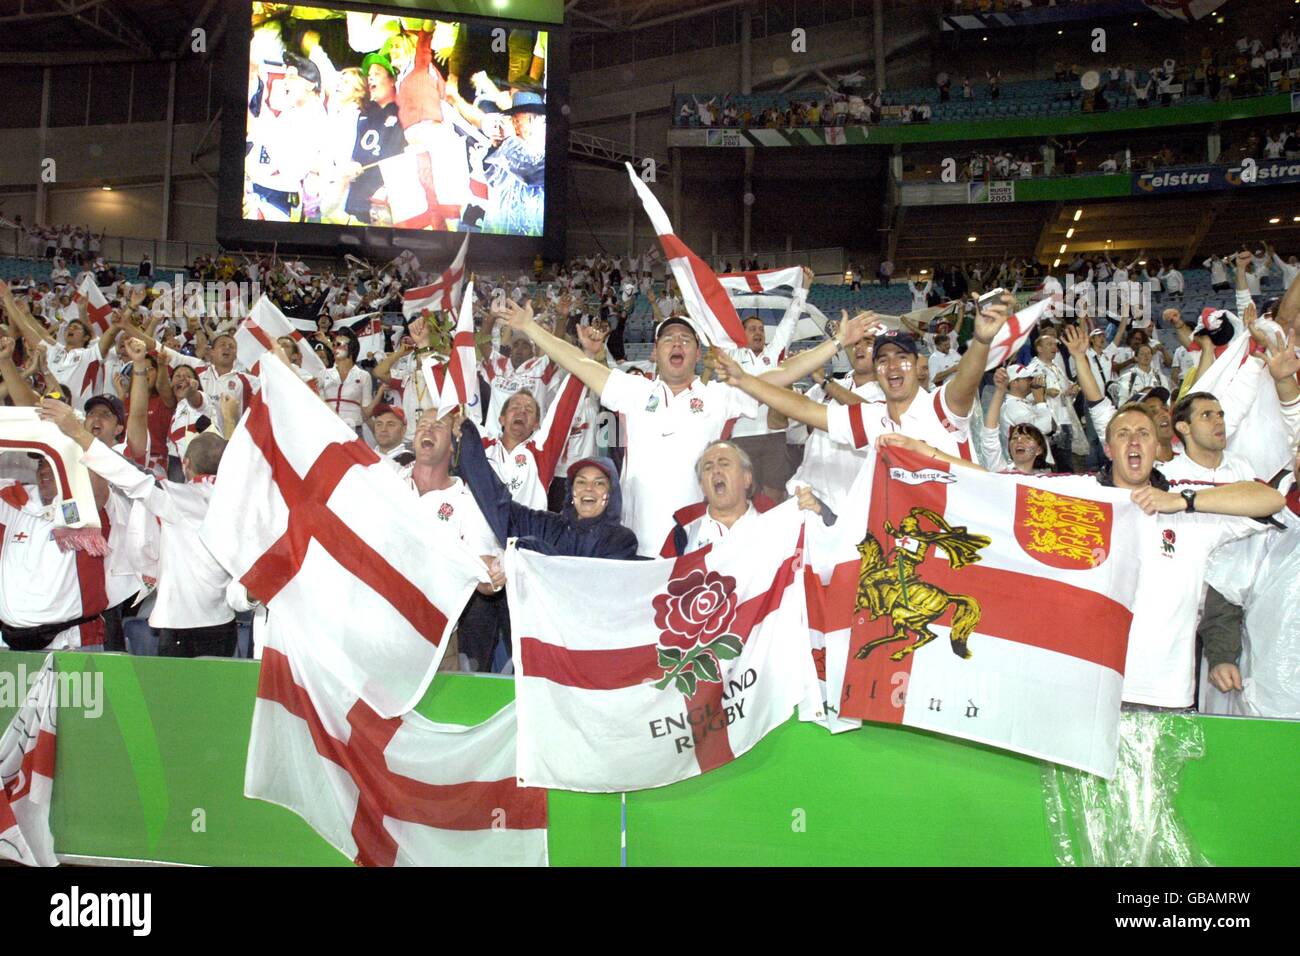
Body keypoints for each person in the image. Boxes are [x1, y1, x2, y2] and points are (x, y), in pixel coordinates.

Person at [492, 297, 868, 556]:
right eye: (667, 338)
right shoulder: (633, 391)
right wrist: (530, 327)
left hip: (696, 545)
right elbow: (579, 362)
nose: (677, 343)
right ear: (654, 352)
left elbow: (781, 374)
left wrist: (835, 343)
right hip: (636, 543)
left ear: (697, 353)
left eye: (685, 339)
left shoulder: (720, 396)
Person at [712, 294, 1015, 465]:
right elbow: (801, 408)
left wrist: (981, 341)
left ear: (917, 362)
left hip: (961, 531)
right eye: (883, 359)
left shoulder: (941, 405)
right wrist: (744, 380)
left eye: (901, 358)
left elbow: (967, 381)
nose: (892, 365)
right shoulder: (871, 417)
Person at [41, 398, 237, 658]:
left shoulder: (178, 499)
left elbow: (129, 474)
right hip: (225, 622)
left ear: (186, 464)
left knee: (173, 699)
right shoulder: (238, 499)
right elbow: (243, 468)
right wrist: (231, 419)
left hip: (182, 625)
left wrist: (77, 432)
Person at [400, 409, 507, 672]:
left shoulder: (468, 502)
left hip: (435, 637)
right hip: (377, 628)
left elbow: (486, 582)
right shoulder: (385, 479)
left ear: (452, 445)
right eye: (422, 424)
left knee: (435, 712)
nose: (427, 429)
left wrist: (494, 573)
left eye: (438, 426)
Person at [457, 418, 637, 559]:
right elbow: (496, 502)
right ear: (571, 493)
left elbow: (591, 584)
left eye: (599, 483)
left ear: (611, 493)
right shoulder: (547, 525)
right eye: (581, 482)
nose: (588, 488)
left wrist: (535, 548)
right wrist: (466, 438)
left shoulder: (621, 540)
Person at [725, 267, 811, 500]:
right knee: (742, 494)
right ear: (741, 334)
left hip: (774, 434)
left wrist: (802, 290)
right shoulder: (731, 353)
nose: (758, 332)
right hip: (740, 435)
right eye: (752, 329)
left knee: (775, 491)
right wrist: (729, 288)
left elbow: (789, 324)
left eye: (761, 329)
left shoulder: (774, 355)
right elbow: (722, 316)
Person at [660, 440, 776, 557]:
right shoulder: (683, 534)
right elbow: (658, 573)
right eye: (708, 467)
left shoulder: (774, 525)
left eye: (724, 464)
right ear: (702, 486)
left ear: (746, 478)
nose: (716, 471)